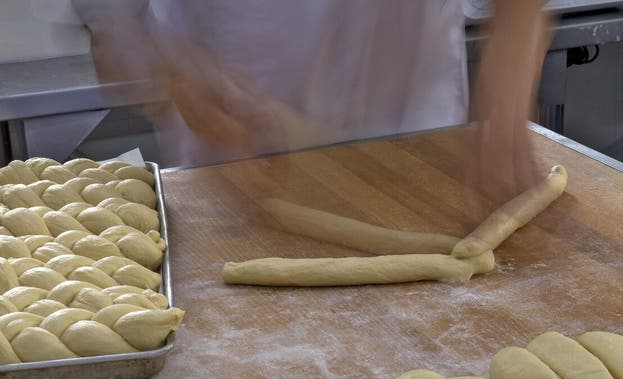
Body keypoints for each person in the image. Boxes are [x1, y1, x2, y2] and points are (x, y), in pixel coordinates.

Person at [68, 0, 548, 202]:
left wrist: (512, 58)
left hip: (420, 146)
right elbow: (112, 16)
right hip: (243, 159)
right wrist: (168, 70)